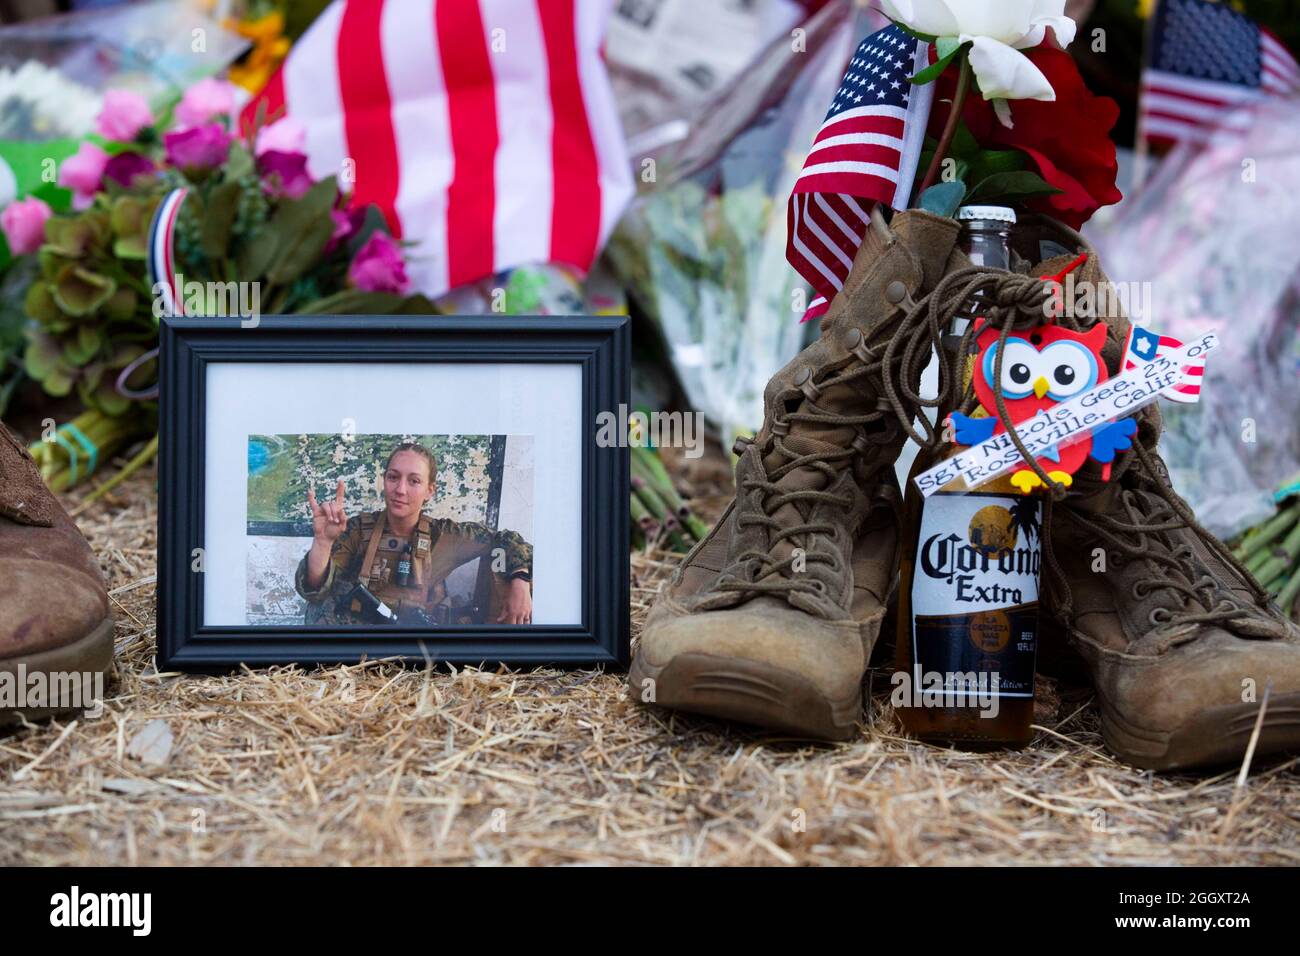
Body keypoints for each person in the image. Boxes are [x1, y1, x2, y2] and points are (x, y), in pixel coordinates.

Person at [294, 442, 532, 626]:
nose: (400, 490)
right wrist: (323, 541)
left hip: (414, 651)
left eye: (414, 481)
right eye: (393, 477)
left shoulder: (445, 535)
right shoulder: (357, 530)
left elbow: (504, 541)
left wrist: (519, 582)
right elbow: (315, 589)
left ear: (430, 490)